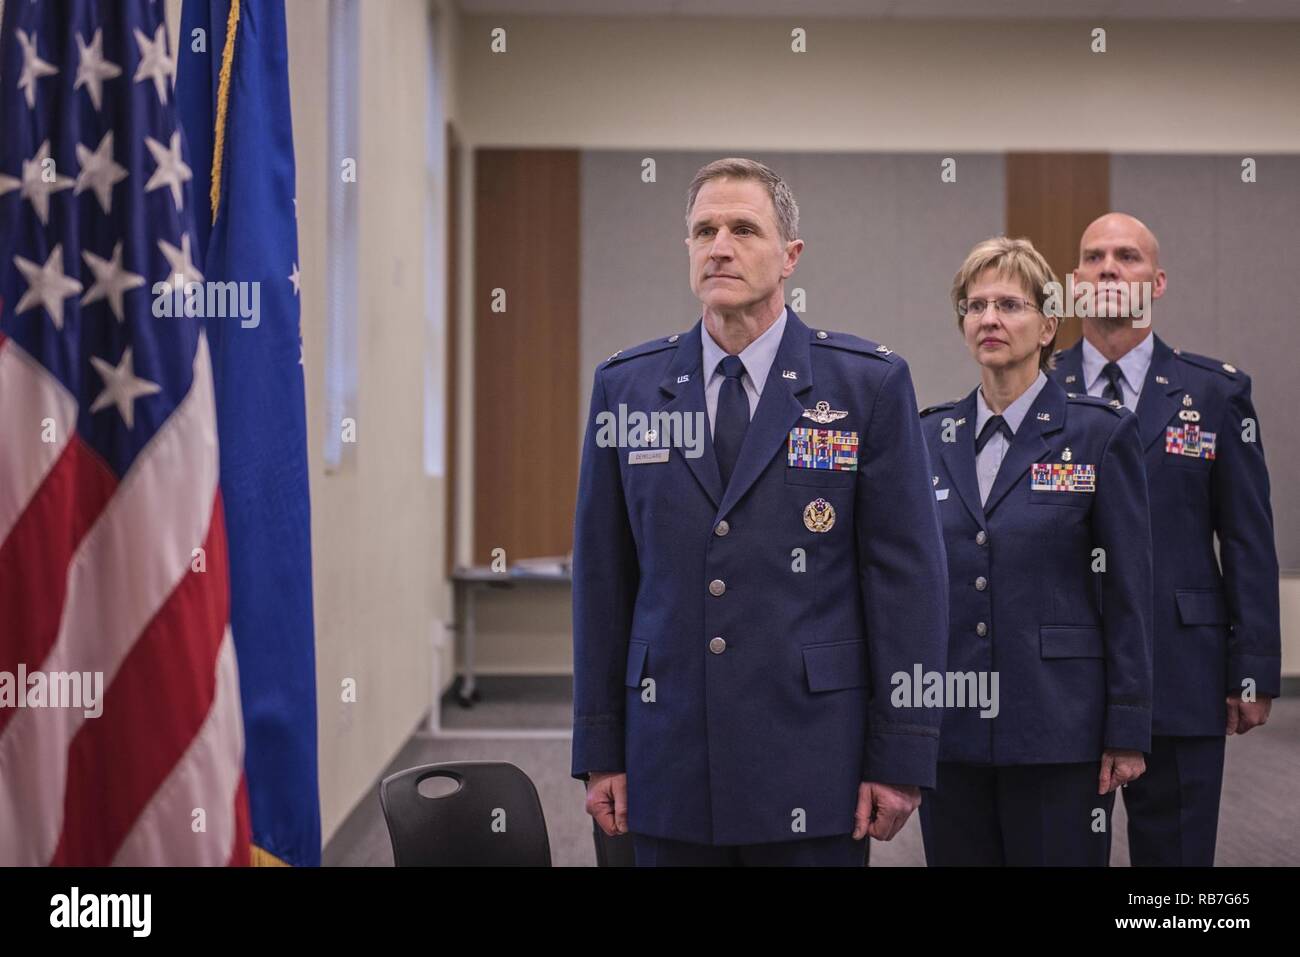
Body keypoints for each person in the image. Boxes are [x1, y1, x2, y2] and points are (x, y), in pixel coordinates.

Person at [570, 158, 948, 866]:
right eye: (704, 230)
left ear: (791, 255)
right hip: (667, 753)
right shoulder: (627, 388)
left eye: (744, 228)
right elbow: (602, 580)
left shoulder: (866, 384)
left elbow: (907, 582)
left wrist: (900, 753)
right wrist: (599, 749)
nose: (720, 245)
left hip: (812, 754)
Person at [1049, 212, 1280, 866]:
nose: (1110, 268)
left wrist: (1256, 662)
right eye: (1094, 257)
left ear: (1159, 280)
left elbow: (1247, 537)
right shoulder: (1038, 389)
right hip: (1065, 674)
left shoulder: (1215, 393)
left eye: (1128, 256)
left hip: (1184, 669)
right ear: (1074, 283)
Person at [919, 236, 1153, 866]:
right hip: (952, 729)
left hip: (1059, 728)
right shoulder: (925, 435)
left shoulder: (1100, 432)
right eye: (975, 305)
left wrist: (1127, 728)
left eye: (1010, 305)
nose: (989, 318)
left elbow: (1130, 590)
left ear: (1049, 324)